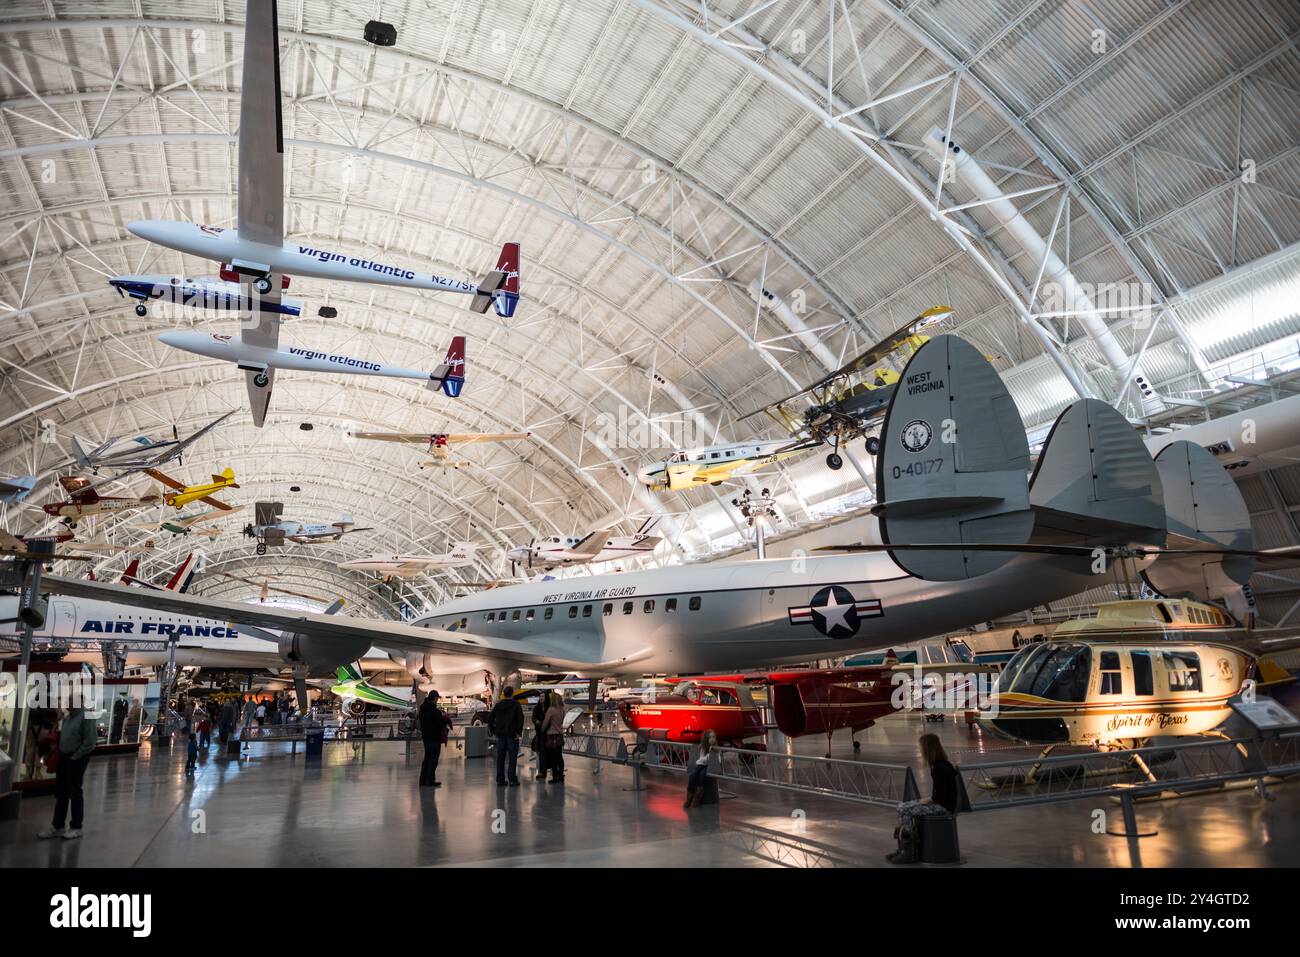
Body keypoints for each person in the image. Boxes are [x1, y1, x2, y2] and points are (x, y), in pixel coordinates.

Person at [887, 733, 967, 864]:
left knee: (905, 810)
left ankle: (908, 851)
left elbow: (939, 797)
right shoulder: (941, 764)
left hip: (944, 807)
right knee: (902, 807)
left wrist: (927, 800)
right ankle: (904, 848)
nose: (920, 751)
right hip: (944, 803)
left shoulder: (939, 768)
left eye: (921, 748)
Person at [38, 705, 98, 840]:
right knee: (61, 792)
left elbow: (90, 741)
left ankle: (76, 827)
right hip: (64, 758)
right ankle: (58, 826)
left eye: (70, 700)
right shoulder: (67, 718)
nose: (67, 703)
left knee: (75, 791)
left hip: (76, 758)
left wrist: (76, 756)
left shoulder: (87, 716)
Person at [487, 687, 524, 786]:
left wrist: (494, 730)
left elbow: (490, 718)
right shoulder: (516, 705)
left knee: (500, 758)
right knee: (512, 758)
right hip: (512, 735)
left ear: (504, 694)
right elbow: (520, 719)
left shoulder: (498, 705)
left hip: (501, 736)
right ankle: (512, 779)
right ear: (512, 694)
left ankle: (500, 779)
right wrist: (518, 732)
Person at [418, 691, 451, 788]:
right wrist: (445, 719)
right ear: (435, 698)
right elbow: (440, 723)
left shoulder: (422, 710)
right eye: (437, 698)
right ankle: (430, 780)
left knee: (427, 759)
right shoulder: (435, 711)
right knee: (433, 760)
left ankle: (422, 780)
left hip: (426, 738)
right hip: (434, 739)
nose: (437, 700)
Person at [684, 729, 718, 808]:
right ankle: (689, 798)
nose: (712, 739)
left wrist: (710, 754)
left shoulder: (716, 748)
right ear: (706, 739)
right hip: (701, 765)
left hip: (710, 766)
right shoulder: (703, 747)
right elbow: (701, 759)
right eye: (710, 737)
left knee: (702, 775)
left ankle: (697, 799)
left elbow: (717, 760)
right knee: (693, 775)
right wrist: (707, 757)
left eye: (713, 737)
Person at [539, 693, 566, 783]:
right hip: (559, 734)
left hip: (551, 735)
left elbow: (545, 723)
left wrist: (542, 730)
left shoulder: (551, 710)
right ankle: (561, 775)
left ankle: (555, 777)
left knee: (553, 757)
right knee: (559, 757)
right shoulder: (562, 709)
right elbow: (562, 721)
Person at [531, 693, 549, 779]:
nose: (541, 698)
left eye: (543, 696)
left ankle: (553, 771)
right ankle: (542, 772)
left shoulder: (549, 708)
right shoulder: (536, 708)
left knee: (550, 753)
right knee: (541, 753)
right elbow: (533, 718)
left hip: (548, 733)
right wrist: (536, 722)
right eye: (540, 696)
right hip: (539, 733)